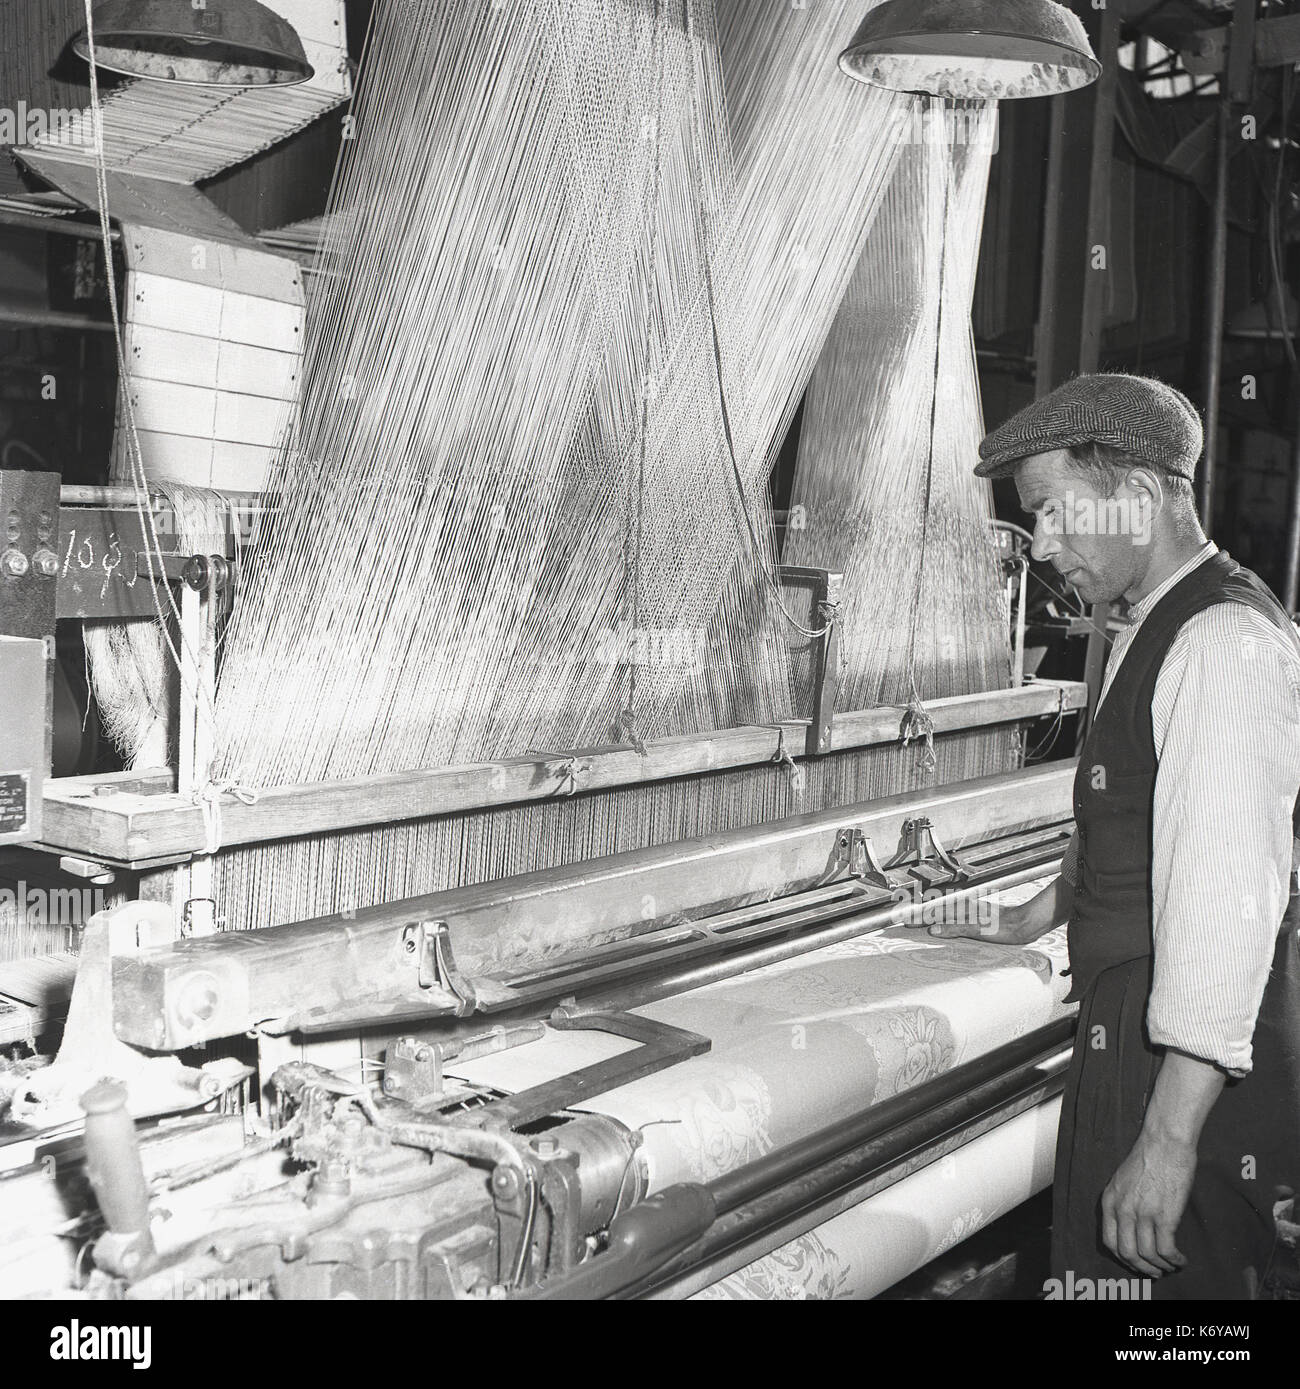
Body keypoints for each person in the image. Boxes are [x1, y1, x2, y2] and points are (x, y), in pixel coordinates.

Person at [933, 372, 1300, 1299]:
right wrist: (1031, 916)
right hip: (1135, 1039)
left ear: (1139, 499)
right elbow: (1127, 813)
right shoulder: (1138, 623)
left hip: (1190, 1082)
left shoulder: (1220, 641)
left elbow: (1227, 904)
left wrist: (1169, 1140)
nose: (1042, 545)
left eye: (1054, 512)